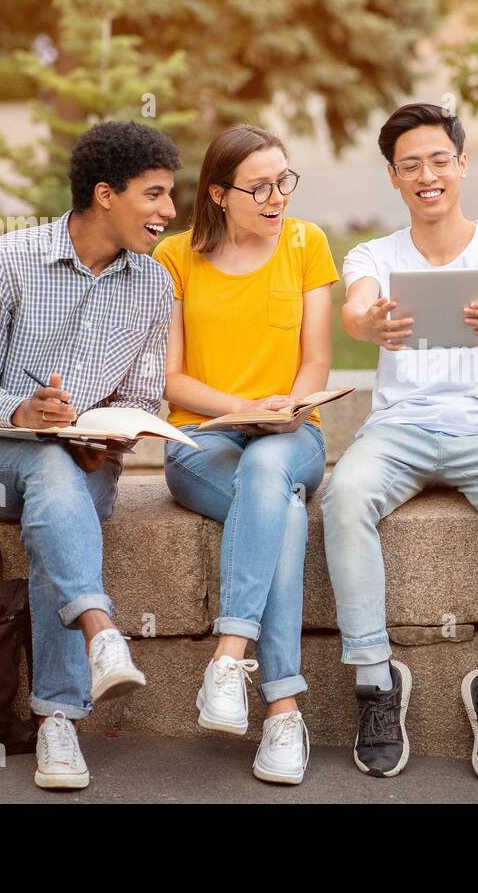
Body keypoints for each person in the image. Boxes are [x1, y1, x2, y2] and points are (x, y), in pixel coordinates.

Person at [323, 103, 478, 788]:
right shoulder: (373, 253)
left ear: (461, 166)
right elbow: (355, 308)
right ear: (394, 176)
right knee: (343, 498)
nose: (428, 175)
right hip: (400, 429)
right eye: (411, 165)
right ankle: (374, 680)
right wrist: (367, 322)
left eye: (439, 160)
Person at [0, 120, 179, 790]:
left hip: (86, 466)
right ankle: (79, 677)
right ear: (105, 195)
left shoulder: (154, 286)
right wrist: (24, 413)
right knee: (48, 468)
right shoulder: (4, 263)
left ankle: (61, 715)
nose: (168, 212)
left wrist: (115, 433)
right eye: (155, 194)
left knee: (59, 497)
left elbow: (144, 399)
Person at [155, 125, 336, 785]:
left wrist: (283, 409)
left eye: (284, 180)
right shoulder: (177, 257)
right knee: (280, 513)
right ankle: (283, 710)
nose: (277, 196)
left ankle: (228, 660)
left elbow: (316, 360)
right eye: (259, 186)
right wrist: (240, 408)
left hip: (293, 436)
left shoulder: (306, 243)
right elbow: (170, 380)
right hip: (201, 441)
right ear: (219, 194)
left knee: (269, 468)